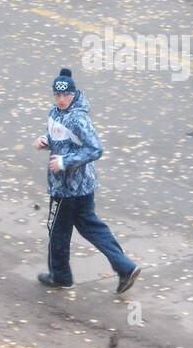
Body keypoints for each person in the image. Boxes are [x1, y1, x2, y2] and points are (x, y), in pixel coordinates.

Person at [35, 68, 141, 294]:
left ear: (74, 94)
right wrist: (47, 140)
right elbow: (60, 138)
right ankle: (125, 267)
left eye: (66, 95)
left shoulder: (78, 118)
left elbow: (95, 149)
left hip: (68, 188)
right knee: (91, 227)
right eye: (57, 95)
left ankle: (61, 276)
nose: (61, 99)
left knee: (57, 230)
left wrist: (64, 162)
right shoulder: (55, 112)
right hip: (75, 187)